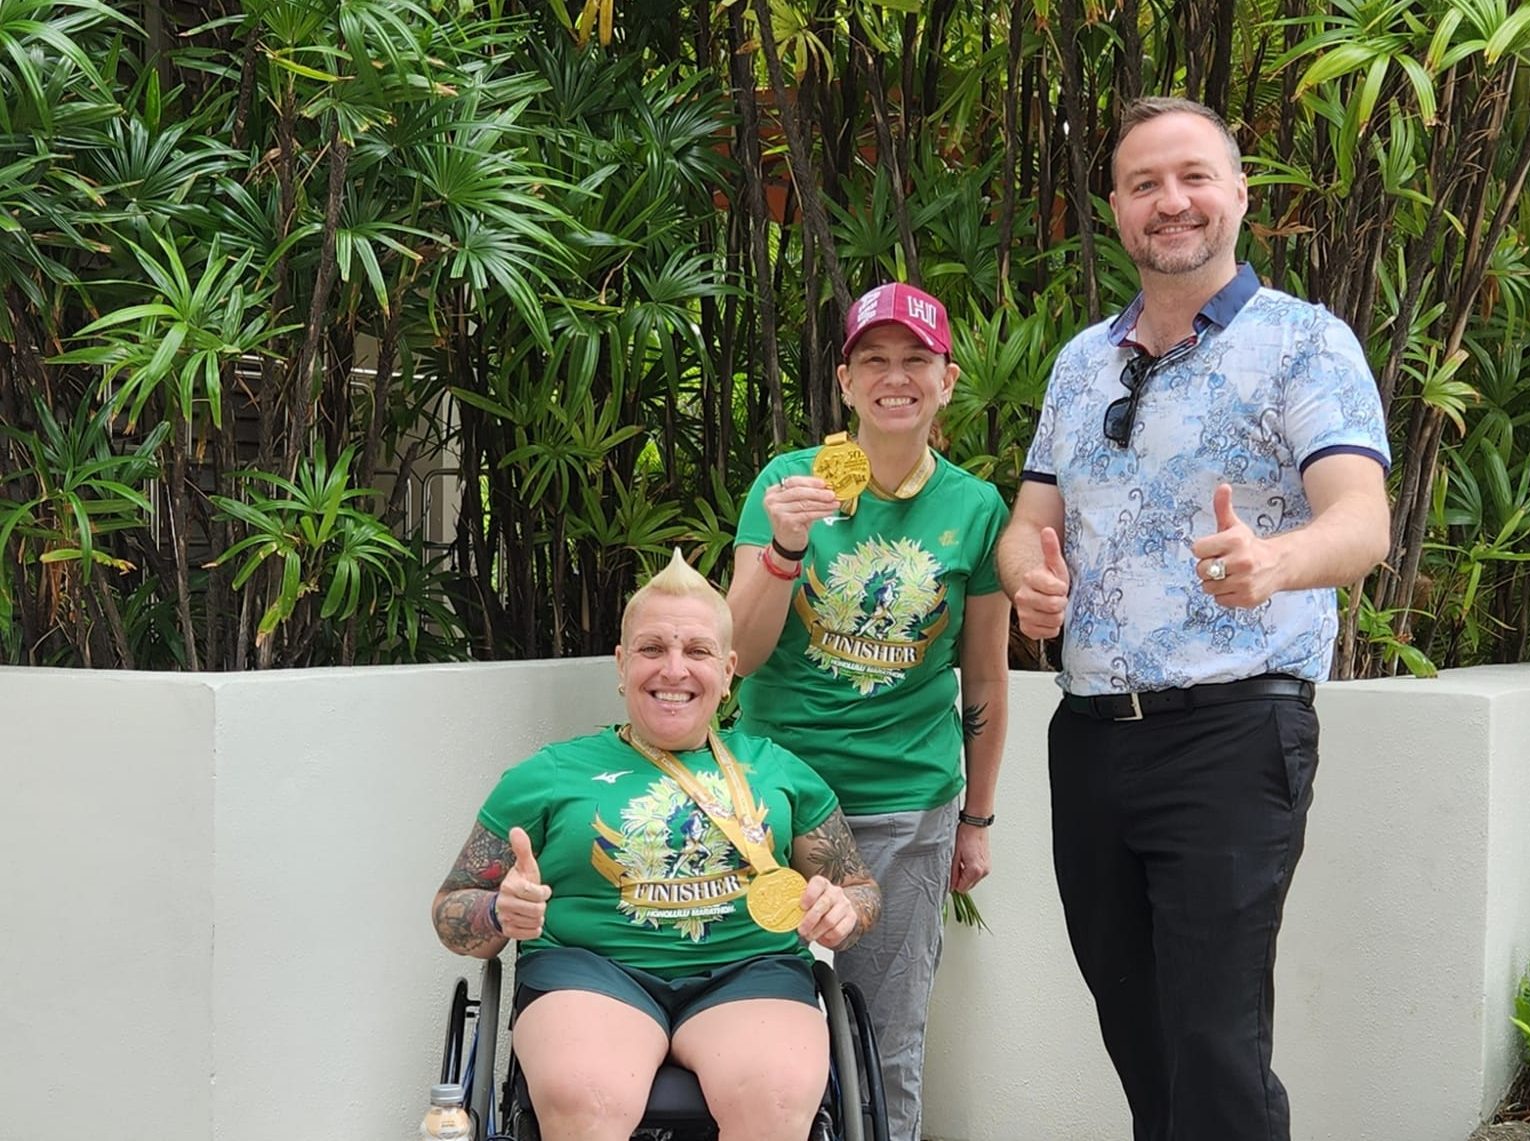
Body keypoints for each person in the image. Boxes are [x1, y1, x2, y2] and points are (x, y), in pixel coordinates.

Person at [997, 96, 1391, 1141]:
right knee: (1141, 1035)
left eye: (1191, 177)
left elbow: (1360, 521)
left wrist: (1271, 561)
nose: (1169, 201)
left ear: (1236, 195)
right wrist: (1030, 582)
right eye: (1141, 184)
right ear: (1117, 210)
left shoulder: (1303, 343)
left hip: (1230, 732)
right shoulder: (1081, 361)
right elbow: (1025, 523)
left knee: (1214, 1041)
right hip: (1088, 740)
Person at [432, 549, 882, 1141]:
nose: (674, 670)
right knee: (587, 1094)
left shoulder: (780, 772)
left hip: (751, 974)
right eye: (652, 649)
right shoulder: (547, 775)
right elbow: (450, 909)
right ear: (621, 665)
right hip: (590, 973)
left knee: (775, 1097)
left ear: (728, 670)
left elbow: (860, 888)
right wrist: (497, 910)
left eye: (696, 651)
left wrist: (843, 911)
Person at [726, 282, 1012, 1141]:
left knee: (885, 1040)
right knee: (757, 1035)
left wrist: (978, 818)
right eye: (874, 361)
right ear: (845, 383)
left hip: (905, 807)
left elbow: (986, 683)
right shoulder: (788, 482)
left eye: (915, 359)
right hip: (772, 804)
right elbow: (736, 652)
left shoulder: (974, 508)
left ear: (947, 380)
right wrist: (781, 546)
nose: (896, 377)